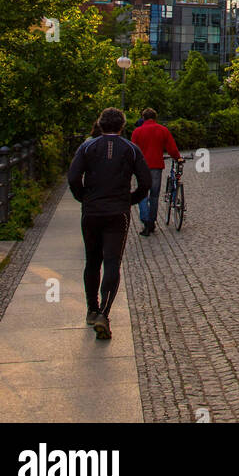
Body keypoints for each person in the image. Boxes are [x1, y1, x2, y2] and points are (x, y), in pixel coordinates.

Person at [68, 106, 151, 341]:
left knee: (92, 260)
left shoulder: (87, 147)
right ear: (122, 126)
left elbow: (73, 177)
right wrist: (131, 199)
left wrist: (83, 196)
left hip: (92, 211)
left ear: (100, 124)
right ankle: (105, 311)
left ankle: (91, 309)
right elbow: (145, 181)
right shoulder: (131, 149)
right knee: (113, 261)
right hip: (118, 211)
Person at [131, 109, 181, 236]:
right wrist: (177, 157)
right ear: (155, 117)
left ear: (143, 117)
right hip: (156, 166)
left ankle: (145, 220)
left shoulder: (137, 131)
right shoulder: (162, 130)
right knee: (154, 195)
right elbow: (171, 147)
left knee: (142, 194)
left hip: (141, 167)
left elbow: (132, 150)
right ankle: (152, 221)